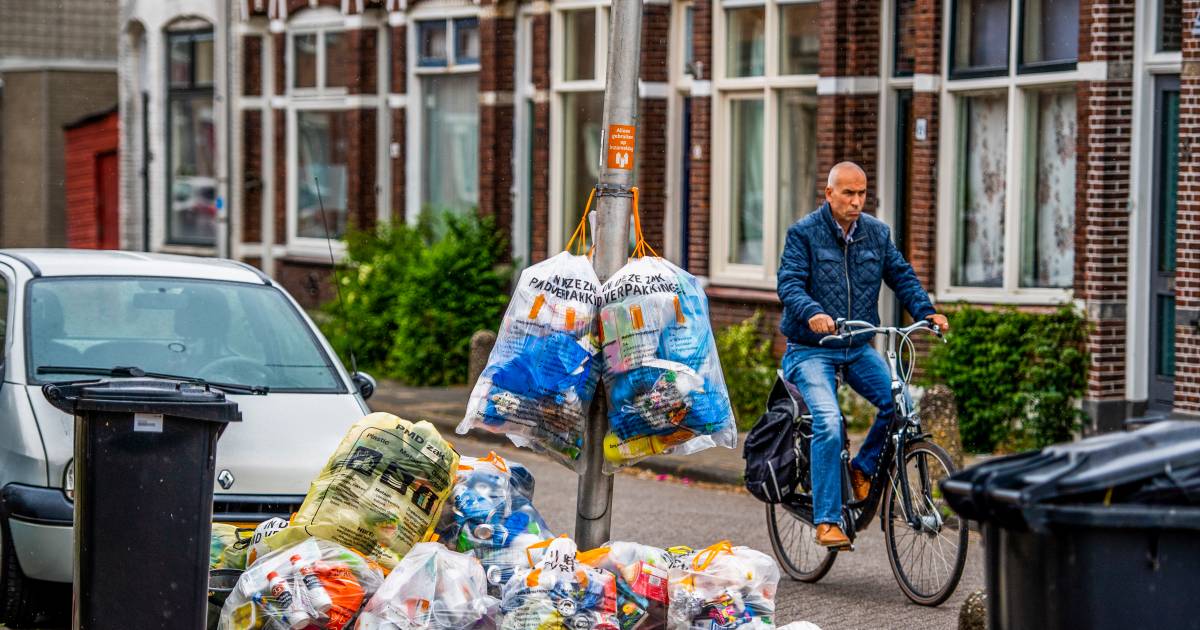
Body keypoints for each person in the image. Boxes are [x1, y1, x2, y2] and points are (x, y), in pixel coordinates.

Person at [777, 161, 949, 548]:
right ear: (829, 194)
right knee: (829, 420)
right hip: (812, 349)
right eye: (848, 194)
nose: (856, 202)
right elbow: (788, 283)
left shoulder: (876, 233)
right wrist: (813, 312)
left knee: (900, 402)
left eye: (862, 194)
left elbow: (901, 276)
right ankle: (827, 519)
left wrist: (926, 312)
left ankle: (863, 468)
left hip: (857, 346)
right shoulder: (803, 234)